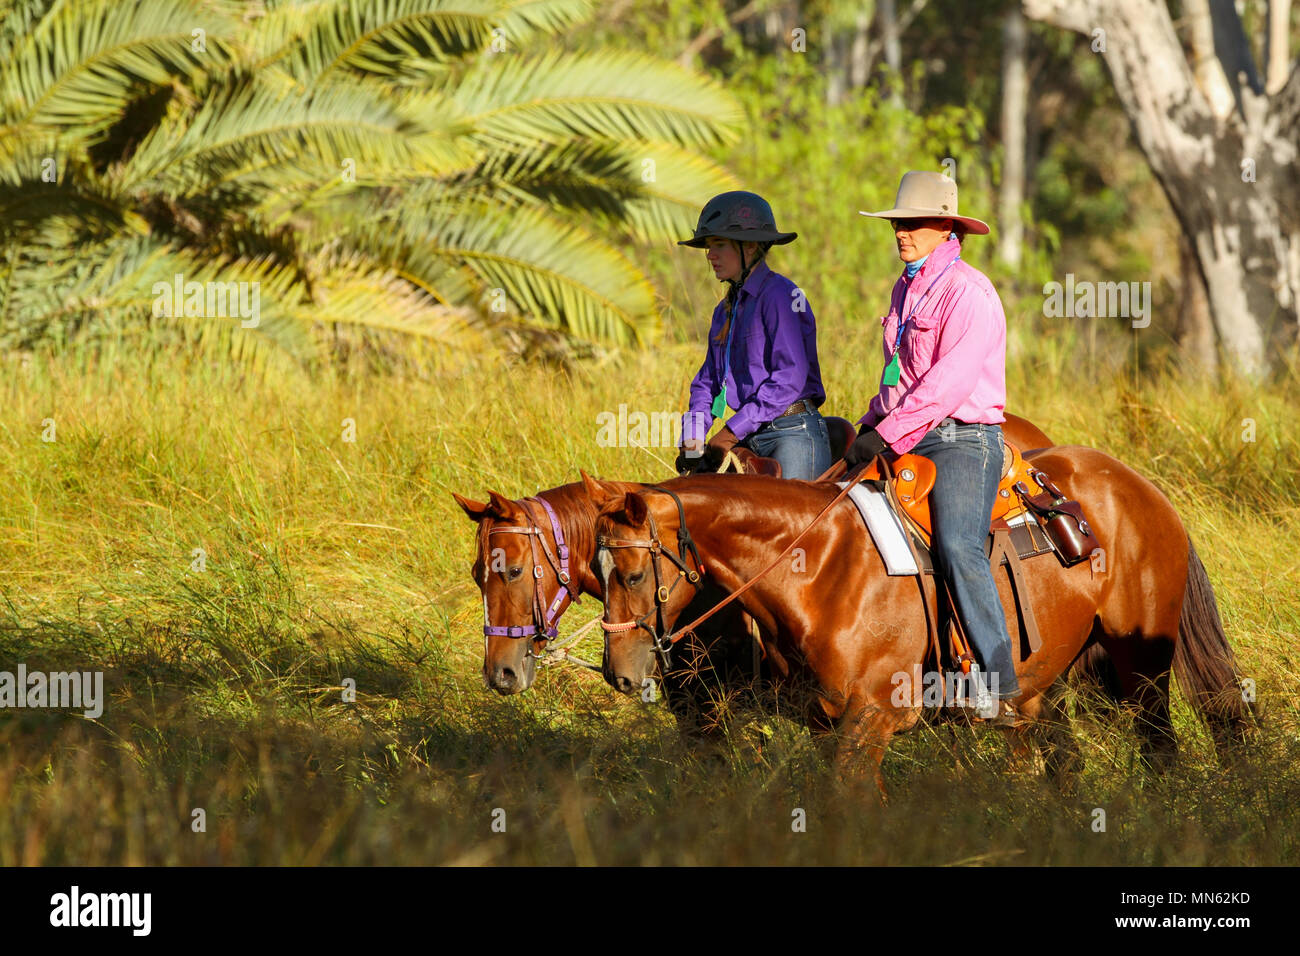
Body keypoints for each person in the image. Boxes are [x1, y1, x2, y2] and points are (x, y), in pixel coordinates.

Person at [843, 171, 1021, 722]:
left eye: (912, 222)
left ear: (946, 227)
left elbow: (947, 384)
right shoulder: (906, 287)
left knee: (957, 542)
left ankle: (997, 682)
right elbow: (900, 378)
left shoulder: (970, 291)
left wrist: (888, 434)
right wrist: (865, 426)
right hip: (909, 432)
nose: (901, 232)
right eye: (897, 222)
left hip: (964, 439)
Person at [674, 192, 831, 481]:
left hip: (792, 431)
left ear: (750, 247)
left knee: (793, 522)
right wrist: (693, 437)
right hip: (749, 434)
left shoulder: (782, 296)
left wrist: (731, 431)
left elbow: (790, 376)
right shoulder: (723, 311)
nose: (710, 255)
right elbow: (706, 383)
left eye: (719, 245)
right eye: (708, 247)